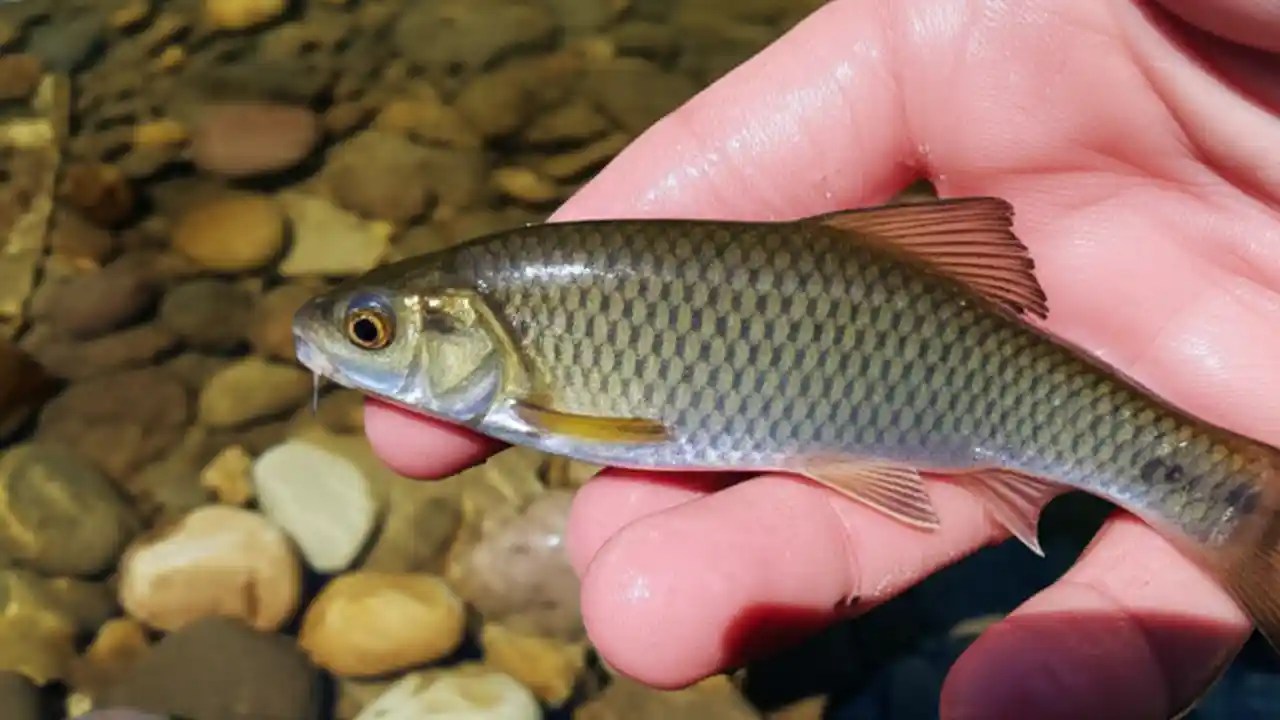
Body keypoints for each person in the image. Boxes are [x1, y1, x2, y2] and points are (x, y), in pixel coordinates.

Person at [365, 1, 1280, 717]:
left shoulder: (542, 390)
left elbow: (627, 430)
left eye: (374, 334)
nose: (351, 349)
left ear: (458, 327)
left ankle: (1228, 503)